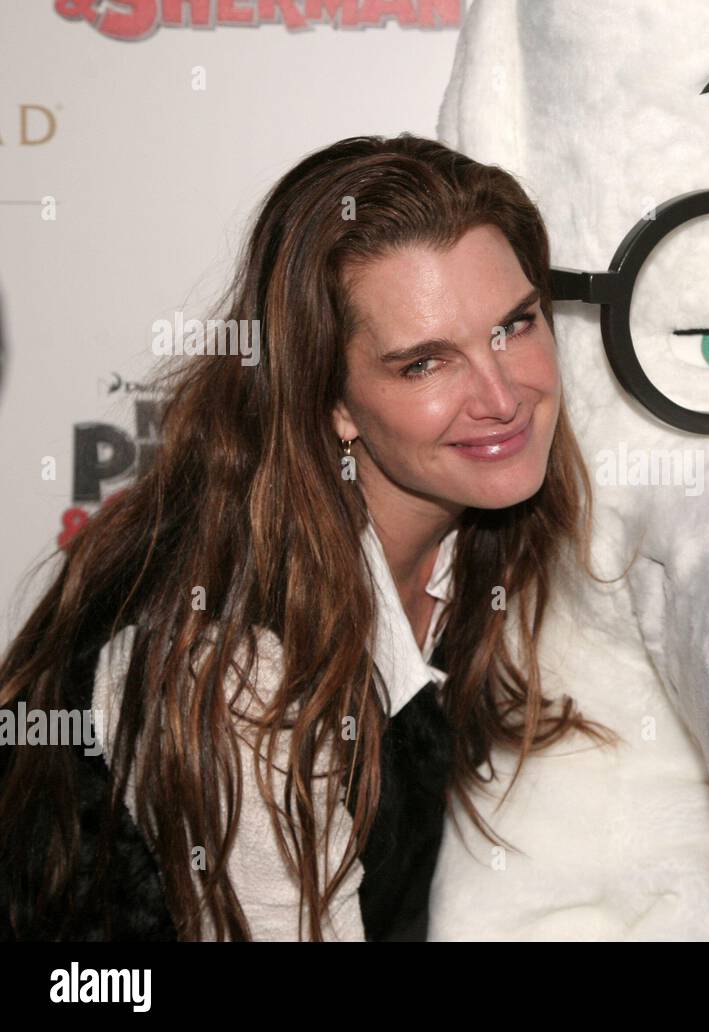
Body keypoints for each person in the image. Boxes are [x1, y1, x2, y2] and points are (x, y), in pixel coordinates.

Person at [0, 133, 619, 941]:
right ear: (330, 399)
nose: (502, 396)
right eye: (424, 364)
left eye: (515, 325)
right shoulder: (237, 670)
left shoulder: (488, 529)